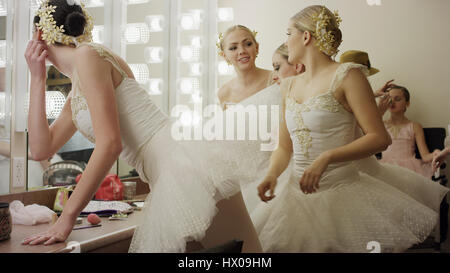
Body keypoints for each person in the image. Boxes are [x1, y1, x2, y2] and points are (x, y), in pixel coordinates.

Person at [22, 0, 262, 253]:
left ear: (39, 34)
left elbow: (110, 144)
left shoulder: (88, 55)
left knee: (246, 254)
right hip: (166, 171)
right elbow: (41, 149)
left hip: (183, 162)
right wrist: (37, 78)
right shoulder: (78, 93)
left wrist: (67, 217)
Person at [254, 5, 448, 252]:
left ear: (306, 37)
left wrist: (328, 157)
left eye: (288, 33)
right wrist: (272, 174)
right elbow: (284, 146)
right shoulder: (288, 86)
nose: (285, 41)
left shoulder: (348, 75)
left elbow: (379, 138)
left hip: (341, 195)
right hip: (293, 198)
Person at [377, 85, 440, 178]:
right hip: (385, 166)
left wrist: (436, 154)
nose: (392, 102)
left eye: (397, 99)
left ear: (407, 103)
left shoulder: (415, 126)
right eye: (389, 99)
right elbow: (363, 131)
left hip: (410, 168)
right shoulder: (380, 124)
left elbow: (425, 156)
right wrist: (379, 111)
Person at [217, 25, 273, 110]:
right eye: (233, 48)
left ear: (256, 47)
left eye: (248, 44)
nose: (242, 51)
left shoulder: (275, 80)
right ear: (224, 56)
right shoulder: (224, 93)